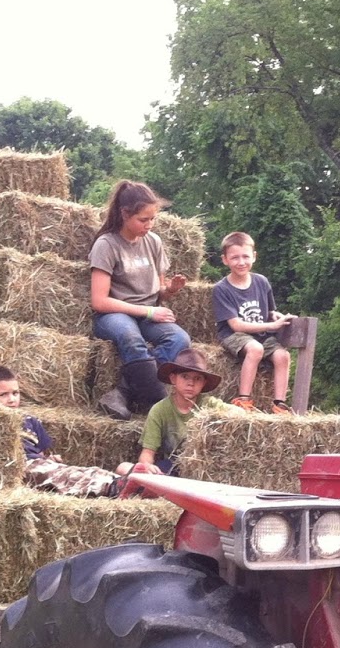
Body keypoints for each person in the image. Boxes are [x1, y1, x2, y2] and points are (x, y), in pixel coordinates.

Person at [89, 180, 192, 414]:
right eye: (143, 220)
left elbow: (159, 291)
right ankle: (159, 410)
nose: (150, 225)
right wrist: (148, 311)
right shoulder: (106, 245)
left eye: (153, 219)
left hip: (147, 314)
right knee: (130, 336)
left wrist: (170, 290)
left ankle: (122, 392)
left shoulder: (154, 242)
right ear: (125, 214)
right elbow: (99, 301)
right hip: (113, 314)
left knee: (180, 340)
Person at [0, 365, 138, 498]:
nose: (12, 399)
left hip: (38, 464)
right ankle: (112, 487)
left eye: (15, 393)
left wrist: (50, 458)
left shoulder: (29, 420)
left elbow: (41, 455)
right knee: (63, 477)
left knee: (76, 471)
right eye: (3, 395)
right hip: (17, 468)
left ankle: (125, 481)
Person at [212, 231, 294, 413]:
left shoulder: (261, 282)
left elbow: (270, 312)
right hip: (234, 335)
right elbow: (235, 325)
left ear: (254, 257)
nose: (241, 262)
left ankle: (279, 403)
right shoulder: (221, 289)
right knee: (256, 349)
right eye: (234, 258)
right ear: (225, 260)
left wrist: (280, 318)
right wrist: (271, 326)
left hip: (261, 334)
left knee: (283, 356)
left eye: (245, 256)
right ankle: (244, 399)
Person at [137, 349, 235, 476]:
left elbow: (241, 415)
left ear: (203, 383)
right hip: (173, 466)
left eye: (197, 378)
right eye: (185, 376)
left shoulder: (210, 405)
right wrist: (147, 466)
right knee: (129, 469)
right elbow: (148, 453)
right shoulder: (160, 410)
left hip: (203, 469)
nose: (191, 383)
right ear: (173, 379)